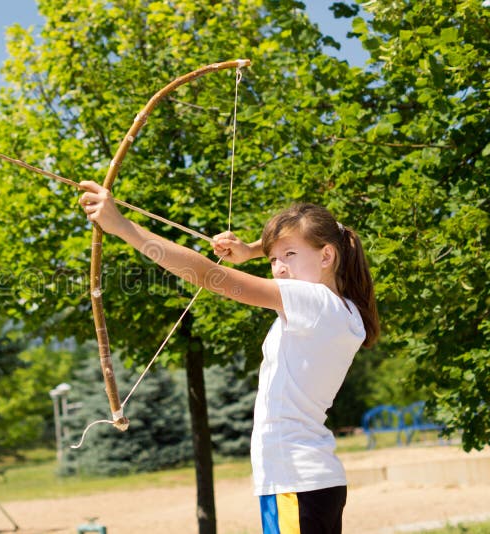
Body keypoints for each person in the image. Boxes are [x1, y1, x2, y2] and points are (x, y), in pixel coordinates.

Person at [78, 181, 379, 534]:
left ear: (327, 256)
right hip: (311, 482)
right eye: (273, 259)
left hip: (295, 481)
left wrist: (123, 227)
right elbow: (299, 245)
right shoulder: (347, 312)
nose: (278, 268)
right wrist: (253, 250)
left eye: (290, 256)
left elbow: (210, 276)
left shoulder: (311, 302)